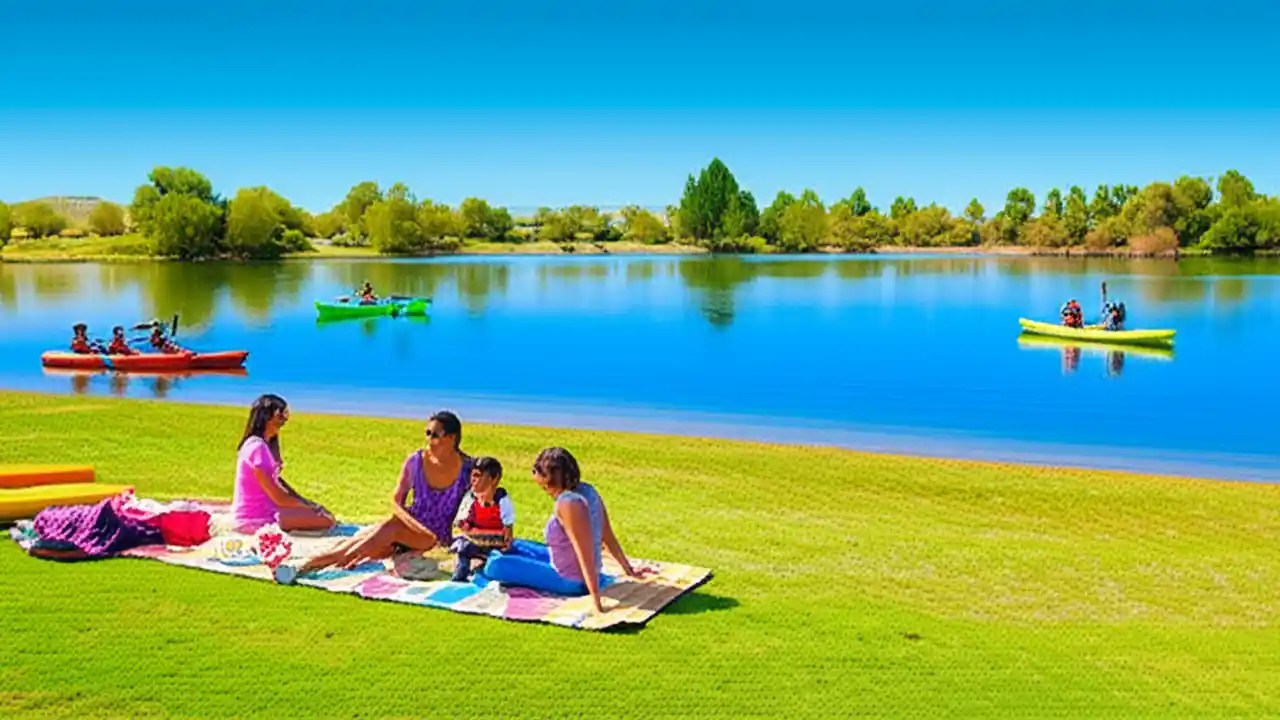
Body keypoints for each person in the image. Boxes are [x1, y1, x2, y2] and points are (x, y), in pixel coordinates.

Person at [287, 411, 473, 580]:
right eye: (427, 433)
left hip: (434, 539)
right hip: (407, 529)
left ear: (451, 438)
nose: (429, 440)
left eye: (435, 435)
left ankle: (301, 567)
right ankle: (302, 566)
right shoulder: (415, 461)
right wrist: (414, 525)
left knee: (363, 545)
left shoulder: (468, 469)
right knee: (354, 546)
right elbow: (396, 501)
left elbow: (479, 506)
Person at [478, 447, 651, 614]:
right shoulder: (588, 490)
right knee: (511, 545)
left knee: (494, 566)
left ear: (551, 478)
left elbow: (584, 552)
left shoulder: (569, 504)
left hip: (571, 579)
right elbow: (607, 534)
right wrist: (628, 569)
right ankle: (485, 552)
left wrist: (596, 600)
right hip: (566, 562)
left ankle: (484, 556)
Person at [233, 394, 336, 535]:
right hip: (256, 518)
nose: (284, 419)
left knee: (322, 514)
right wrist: (307, 507)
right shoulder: (257, 447)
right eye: (280, 414)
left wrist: (306, 502)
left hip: (262, 512)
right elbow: (279, 497)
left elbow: (277, 481)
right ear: (266, 416)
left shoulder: (260, 445)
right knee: (327, 519)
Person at [449, 456, 514, 581]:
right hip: (475, 541)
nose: (473, 480)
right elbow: (459, 523)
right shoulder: (471, 498)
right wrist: (465, 526)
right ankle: (461, 572)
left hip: (496, 543)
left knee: (499, 561)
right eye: (472, 475)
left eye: (478, 476)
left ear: (494, 479)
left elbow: (508, 529)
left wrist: (504, 540)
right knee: (462, 547)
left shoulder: (501, 500)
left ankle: (484, 569)